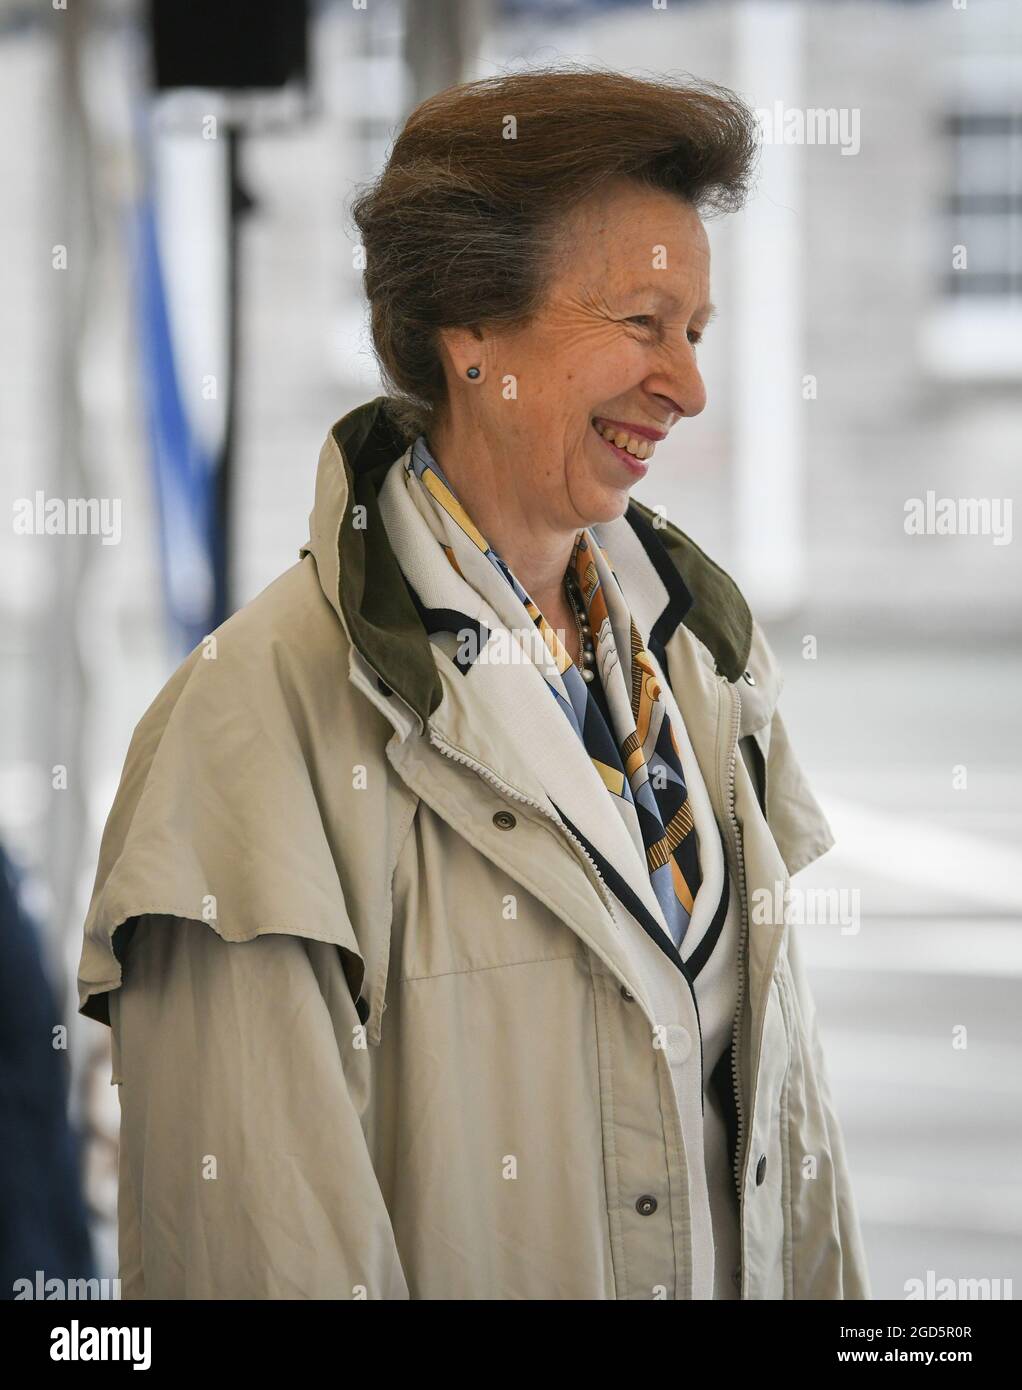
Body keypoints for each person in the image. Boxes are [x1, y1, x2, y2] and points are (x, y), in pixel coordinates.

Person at [77, 69, 870, 1300]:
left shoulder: (702, 664)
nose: (688, 385)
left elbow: (790, 1165)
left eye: (695, 333)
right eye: (641, 322)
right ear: (468, 329)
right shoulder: (249, 732)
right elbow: (262, 1261)